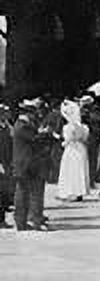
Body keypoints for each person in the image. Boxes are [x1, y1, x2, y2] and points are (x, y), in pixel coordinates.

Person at [12, 99, 50, 231]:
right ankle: (23, 221)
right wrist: (45, 134)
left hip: (29, 163)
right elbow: (34, 139)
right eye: (34, 112)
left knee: (29, 193)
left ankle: (26, 220)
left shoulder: (26, 124)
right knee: (24, 194)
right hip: (25, 164)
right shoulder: (22, 125)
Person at [56, 100, 91, 202]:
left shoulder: (67, 127)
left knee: (71, 170)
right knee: (80, 170)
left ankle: (70, 192)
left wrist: (63, 143)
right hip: (81, 149)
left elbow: (68, 139)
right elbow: (85, 138)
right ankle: (80, 192)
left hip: (71, 149)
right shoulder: (84, 127)